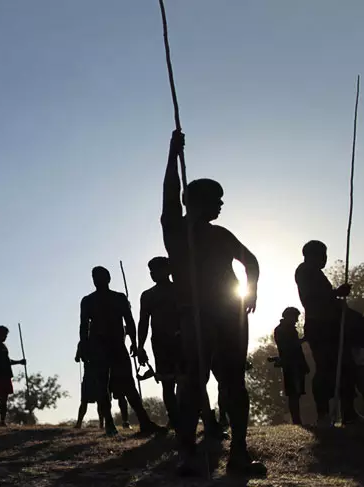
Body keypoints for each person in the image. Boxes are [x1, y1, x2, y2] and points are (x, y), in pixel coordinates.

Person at [162, 130, 265, 476]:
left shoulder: (222, 235)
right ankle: (189, 454)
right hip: (196, 314)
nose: (221, 205)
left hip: (230, 313)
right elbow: (169, 197)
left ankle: (238, 452)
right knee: (195, 380)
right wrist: (173, 155)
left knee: (233, 380)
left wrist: (250, 291)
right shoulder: (177, 231)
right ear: (197, 200)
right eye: (216, 199)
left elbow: (251, 260)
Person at [79, 266, 161, 437]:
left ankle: (144, 421)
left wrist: (134, 342)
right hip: (98, 346)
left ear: (108, 278)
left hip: (117, 345)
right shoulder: (87, 301)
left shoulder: (119, 298)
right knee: (102, 387)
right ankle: (109, 423)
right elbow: (83, 326)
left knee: (129, 385)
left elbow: (129, 321)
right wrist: (85, 347)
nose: (97, 279)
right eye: (94, 276)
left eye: (100, 276)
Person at [294, 240, 358, 426]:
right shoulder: (304, 271)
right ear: (312, 255)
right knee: (324, 368)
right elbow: (312, 298)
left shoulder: (316, 273)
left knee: (345, 365)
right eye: (323, 254)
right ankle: (322, 413)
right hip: (319, 327)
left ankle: (348, 412)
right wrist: (336, 293)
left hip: (331, 326)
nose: (325, 258)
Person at [137, 256, 181, 429]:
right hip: (160, 343)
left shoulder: (180, 290)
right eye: (151, 271)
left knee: (185, 380)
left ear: (168, 270)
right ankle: (174, 418)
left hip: (182, 340)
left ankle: (187, 415)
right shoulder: (147, 295)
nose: (153, 274)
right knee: (166, 382)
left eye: (157, 270)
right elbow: (143, 322)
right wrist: (140, 347)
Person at [273, 307, 309, 425]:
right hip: (291, 364)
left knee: (296, 393)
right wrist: (303, 339)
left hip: (294, 364)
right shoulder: (283, 330)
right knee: (294, 393)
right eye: (295, 318)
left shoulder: (284, 330)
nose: (296, 321)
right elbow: (289, 347)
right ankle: (296, 420)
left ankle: (297, 419)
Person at [73, 341, 104, 429]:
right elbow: (77, 358)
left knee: (86, 401)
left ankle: (79, 423)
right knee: (97, 401)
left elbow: (76, 358)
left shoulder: (83, 342)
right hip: (95, 374)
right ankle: (101, 424)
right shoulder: (85, 342)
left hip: (92, 375)